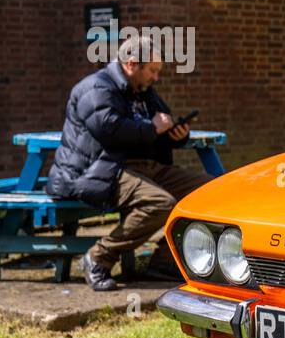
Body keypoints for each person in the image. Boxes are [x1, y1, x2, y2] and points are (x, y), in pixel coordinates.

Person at [45, 34, 210, 291]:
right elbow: (109, 130)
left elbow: (159, 124)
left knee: (208, 193)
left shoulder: (144, 91)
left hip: (140, 166)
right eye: (152, 71)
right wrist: (152, 128)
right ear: (132, 64)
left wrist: (176, 135)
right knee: (160, 204)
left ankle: (164, 263)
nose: (156, 77)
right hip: (98, 170)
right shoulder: (94, 89)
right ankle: (98, 258)